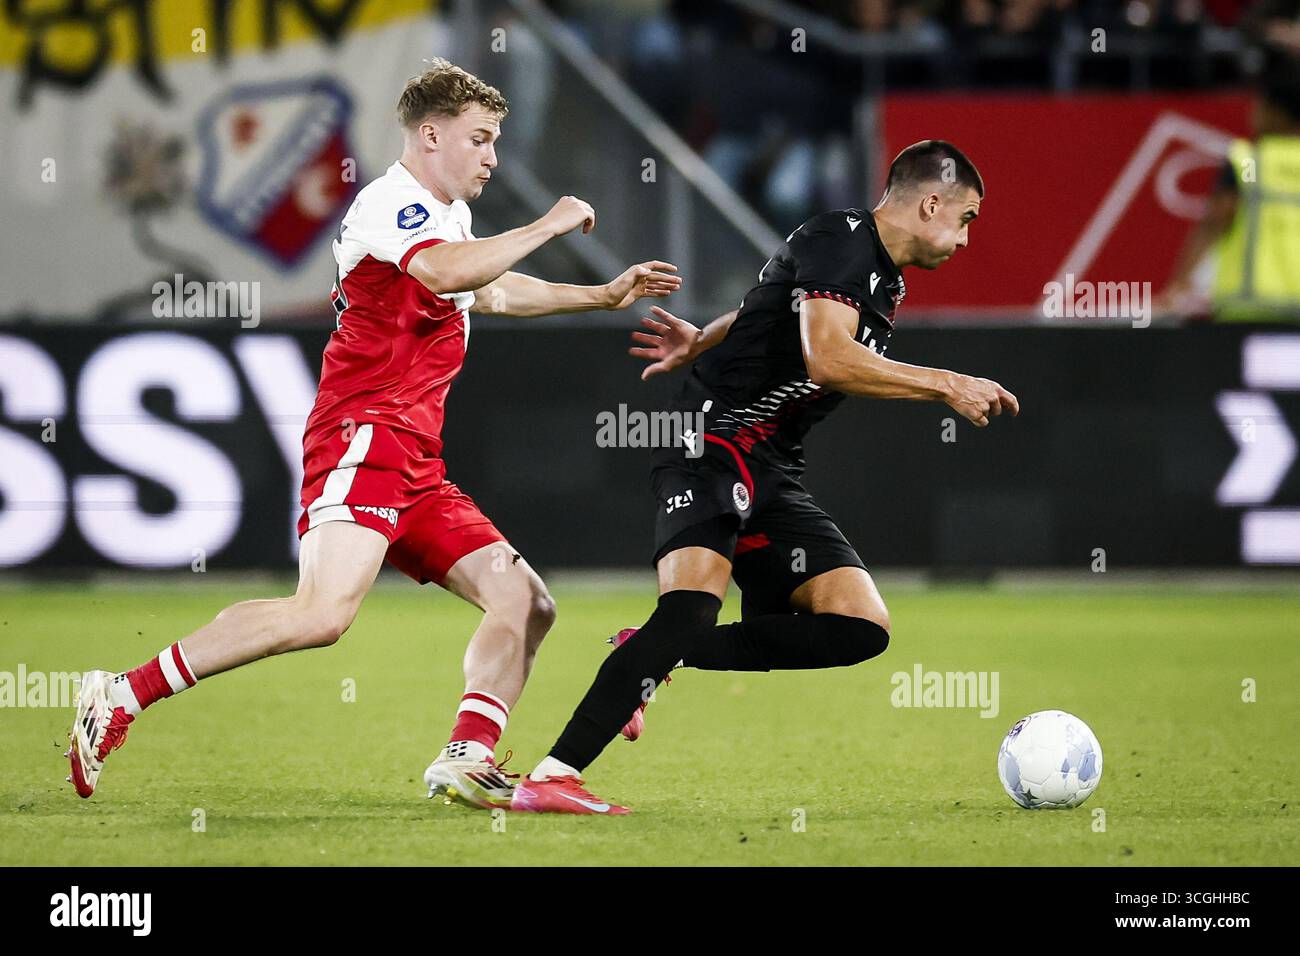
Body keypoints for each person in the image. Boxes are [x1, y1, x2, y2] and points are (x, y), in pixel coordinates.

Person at [66, 59, 681, 808]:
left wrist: (600, 293)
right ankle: (123, 691)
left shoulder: (446, 218)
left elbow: (488, 289)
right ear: (430, 135)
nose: (492, 156)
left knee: (525, 602)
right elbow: (447, 275)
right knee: (321, 615)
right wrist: (547, 223)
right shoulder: (391, 204)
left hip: (415, 458)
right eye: (480, 139)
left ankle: (467, 758)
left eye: (494, 141)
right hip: (364, 435)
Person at [507, 140, 1019, 814]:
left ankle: (657, 657)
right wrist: (946, 382)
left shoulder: (882, 277)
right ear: (930, 202)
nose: (965, 237)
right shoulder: (842, 237)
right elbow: (830, 358)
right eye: (967, 218)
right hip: (710, 442)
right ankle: (552, 777)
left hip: (773, 466)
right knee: (690, 610)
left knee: (857, 625)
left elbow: (768, 304)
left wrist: (702, 339)